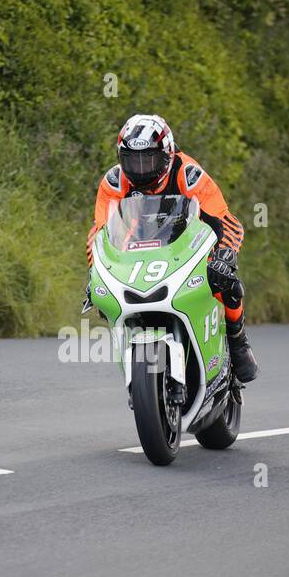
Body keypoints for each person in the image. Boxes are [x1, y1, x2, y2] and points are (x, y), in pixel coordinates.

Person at [86, 113, 258, 382]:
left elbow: (227, 222)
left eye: (149, 159)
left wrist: (224, 256)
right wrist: (96, 273)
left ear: (166, 154)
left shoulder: (189, 175)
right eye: (133, 160)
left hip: (188, 244)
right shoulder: (114, 182)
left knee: (225, 281)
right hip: (139, 252)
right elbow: (100, 235)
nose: (141, 168)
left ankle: (238, 339)